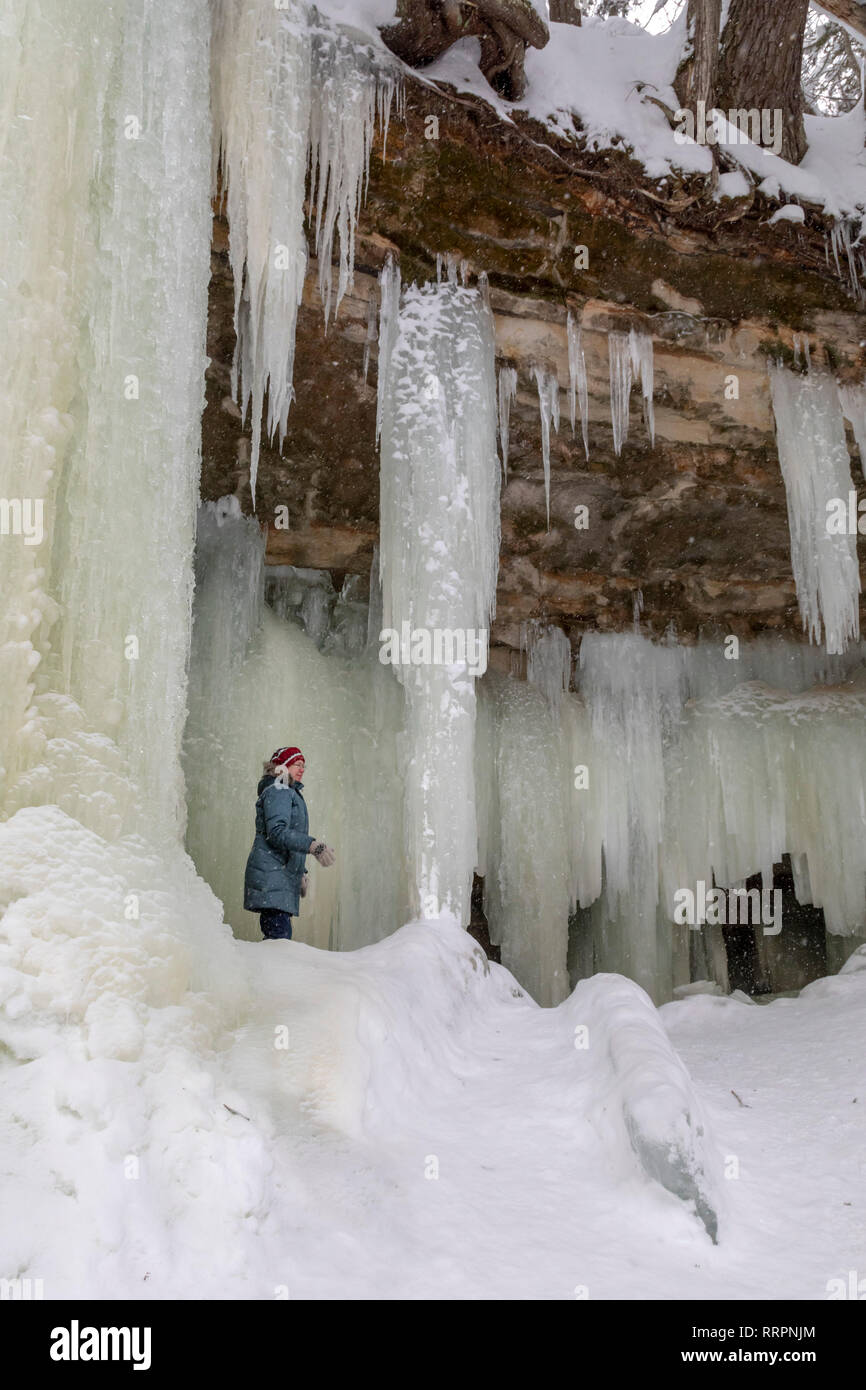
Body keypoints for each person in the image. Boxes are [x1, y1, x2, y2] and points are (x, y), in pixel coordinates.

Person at [243, 746, 335, 940]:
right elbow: (277, 833)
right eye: (297, 764)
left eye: (304, 765)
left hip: (280, 880)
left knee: (279, 942)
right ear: (282, 766)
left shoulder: (287, 791)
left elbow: (288, 838)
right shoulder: (279, 789)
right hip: (272, 879)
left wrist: (299, 873)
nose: (302, 769)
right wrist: (313, 846)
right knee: (279, 944)